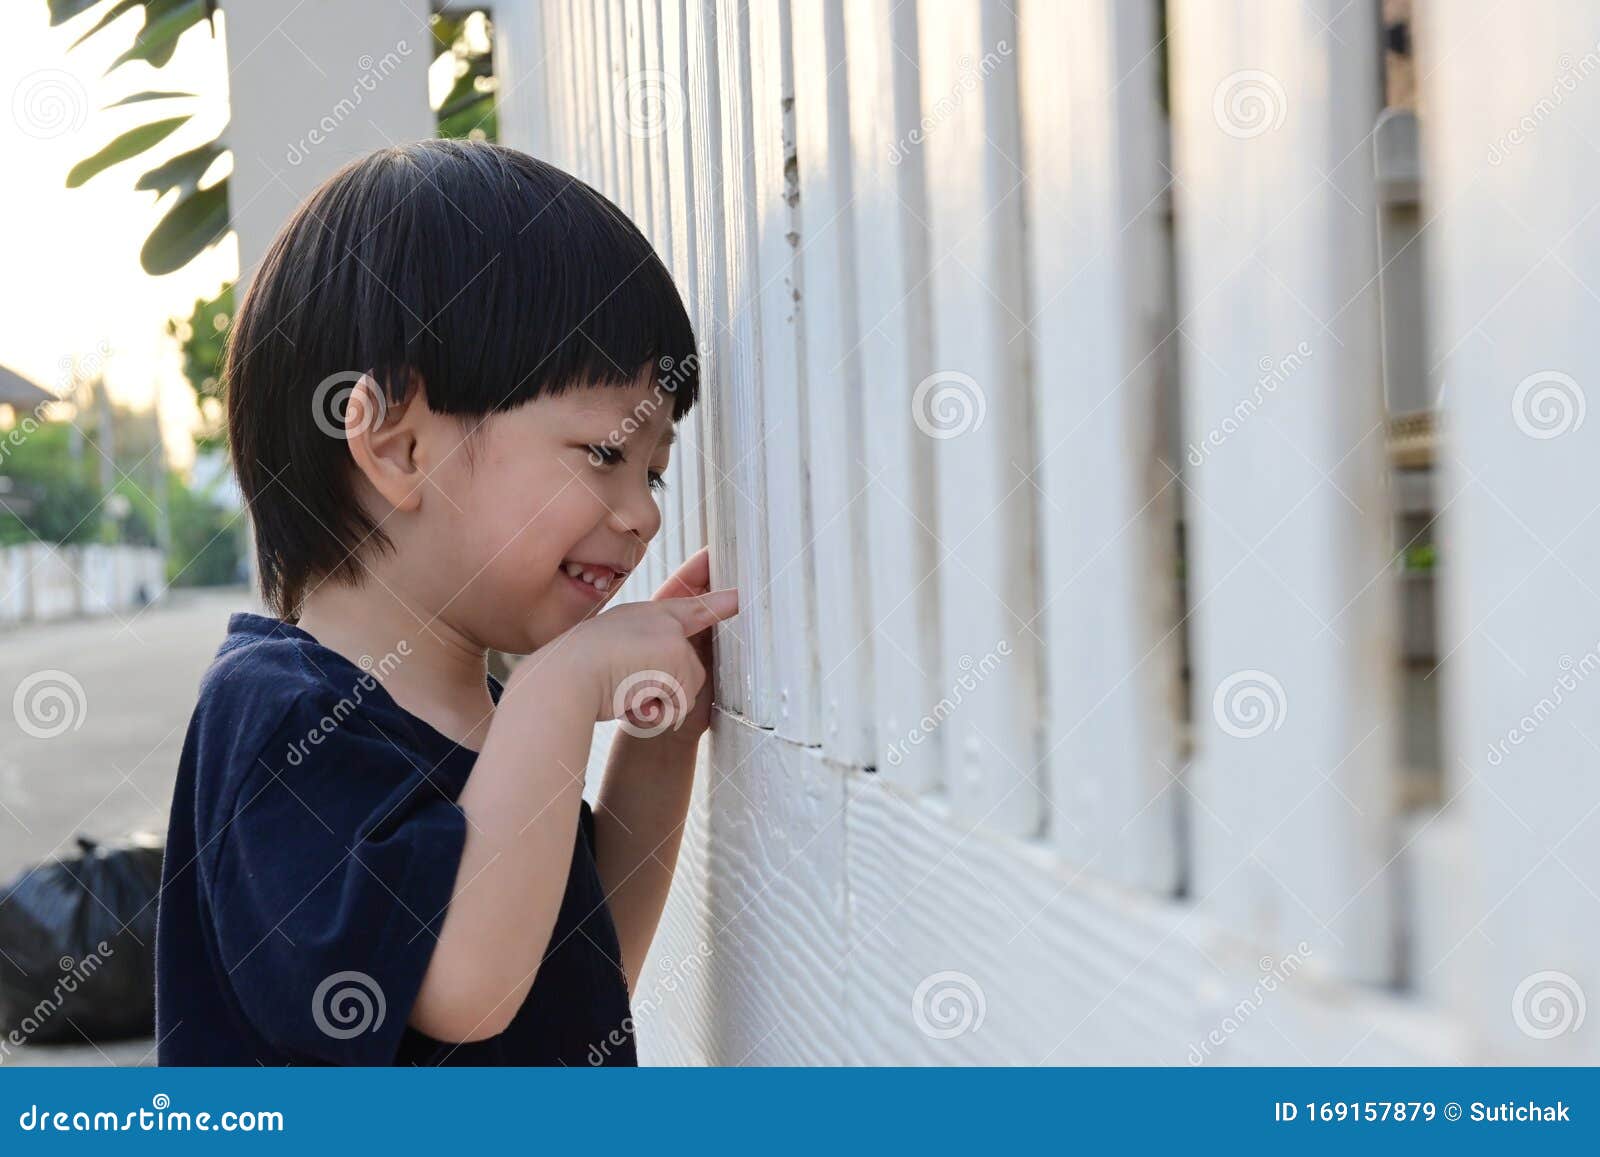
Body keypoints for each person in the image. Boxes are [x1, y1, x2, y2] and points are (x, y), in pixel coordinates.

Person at [154, 139, 738, 1065]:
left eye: (657, 470)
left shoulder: (490, 722)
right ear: (397, 448)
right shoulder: (281, 721)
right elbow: (466, 988)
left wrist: (661, 743)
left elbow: (581, 979)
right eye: (603, 454)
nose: (644, 516)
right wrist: (561, 685)